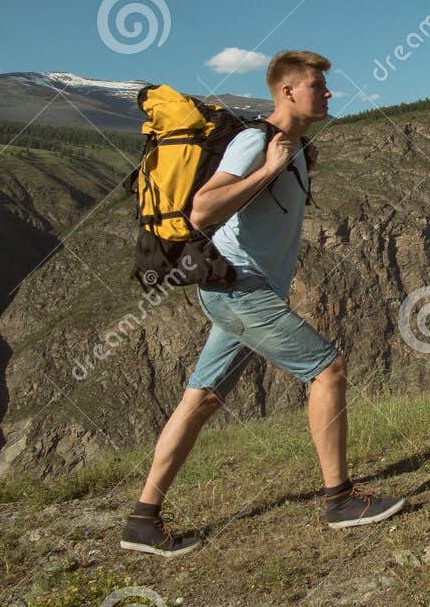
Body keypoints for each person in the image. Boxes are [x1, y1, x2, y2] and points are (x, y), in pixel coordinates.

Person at [120, 50, 405, 557]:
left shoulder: (290, 145)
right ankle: (339, 499)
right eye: (318, 85)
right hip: (238, 290)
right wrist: (268, 169)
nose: (328, 92)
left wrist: (287, 161)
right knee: (328, 368)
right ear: (288, 92)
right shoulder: (255, 142)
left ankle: (142, 519)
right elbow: (202, 209)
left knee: (201, 398)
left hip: (241, 292)